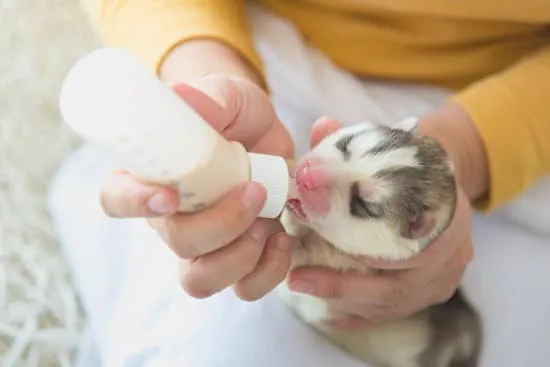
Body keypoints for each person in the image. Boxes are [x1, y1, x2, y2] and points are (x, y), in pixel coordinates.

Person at [49, 1, 550, 366]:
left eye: (358, 198)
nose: (314, 173)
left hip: (512, 109)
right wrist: (209, 83)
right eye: (342, 151)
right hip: (262, 51)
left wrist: (468, 146)